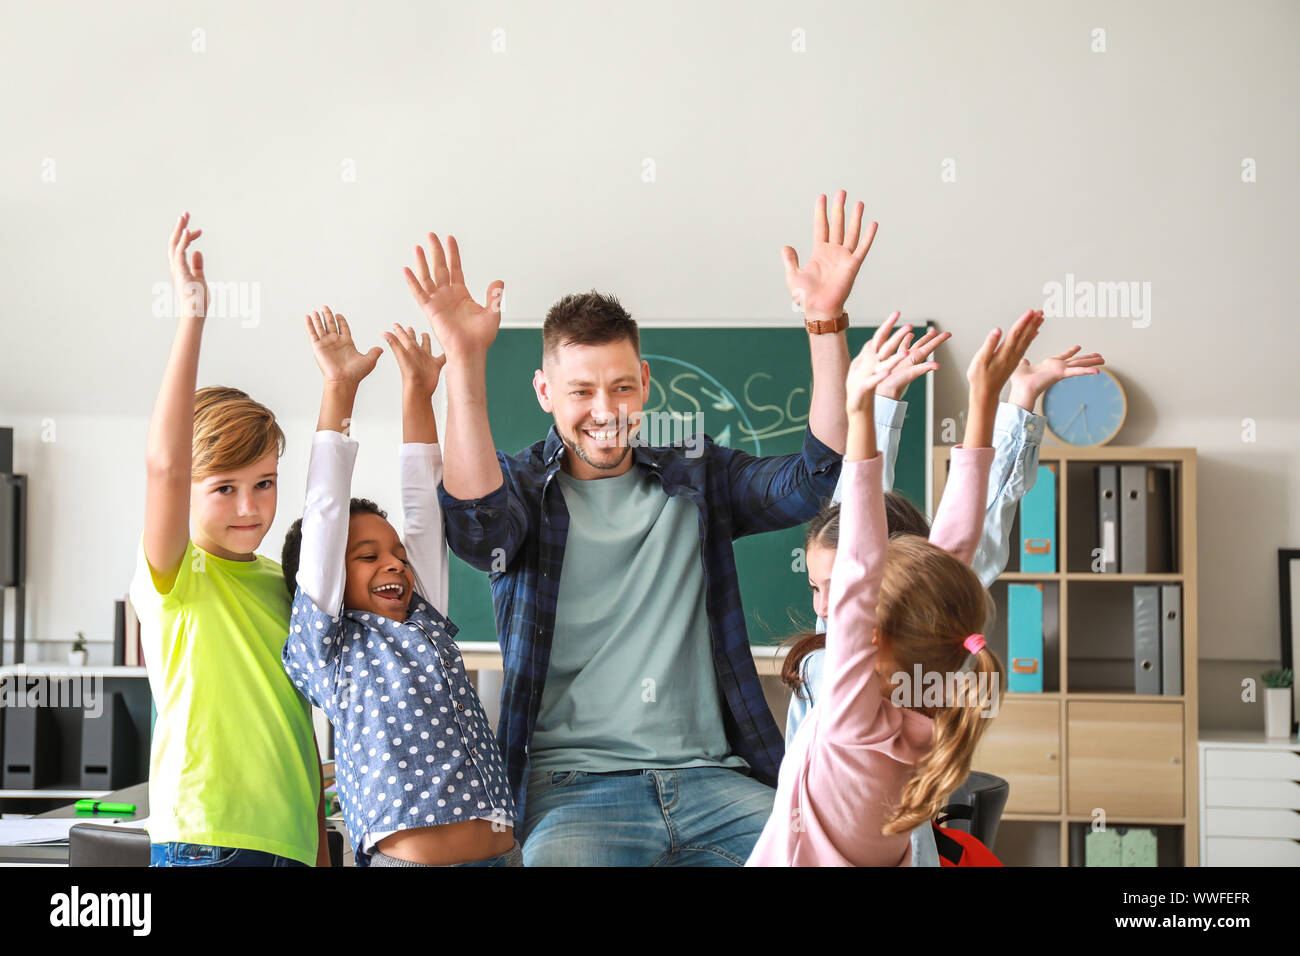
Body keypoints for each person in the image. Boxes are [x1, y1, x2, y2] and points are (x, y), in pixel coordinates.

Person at [406, 191, 876, 865]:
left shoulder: (696, 473)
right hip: (574, 791)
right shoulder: (522, 493)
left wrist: (826, 327)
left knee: (823, 855)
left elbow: (814, 480)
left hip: (715, 781)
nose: (606, 410)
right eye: (582, 392)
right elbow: (480, 533)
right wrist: (463, 359)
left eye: (622, 387)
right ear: (545, 393)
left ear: (646, 383)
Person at [747, 311, 1042, 865]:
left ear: (872, 633)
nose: (832, 608)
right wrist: (982, 402)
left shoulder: (848, 715)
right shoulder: (924, 703)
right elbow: (950, 550)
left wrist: (862, 412)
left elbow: (863, 564)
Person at [279, 311, 519, 867]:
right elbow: (324, 512)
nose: (394, 565)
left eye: (398, 555)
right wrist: (339, 389)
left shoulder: (424, 620)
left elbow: (422, 506)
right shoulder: (331, 649)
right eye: (367, 557)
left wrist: (417, 392)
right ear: (332, 580)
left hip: (505, 856)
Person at [132, 213, 326, 867]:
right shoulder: (175, 578)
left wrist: (320, 847)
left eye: (265, 483)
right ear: (186, 487)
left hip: (293, 844)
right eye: (223, 488)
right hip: (207, 843)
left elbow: (297, 728)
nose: (251, 508)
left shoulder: (283, 583)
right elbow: (163, 464)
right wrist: (192, 317)